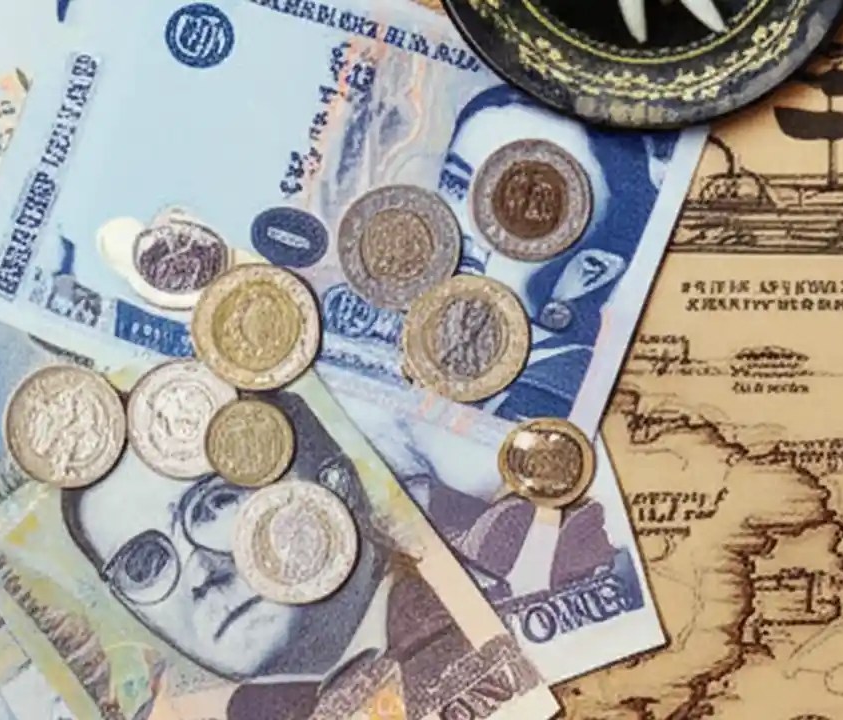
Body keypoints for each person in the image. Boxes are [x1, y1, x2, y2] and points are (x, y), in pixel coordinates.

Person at [60, 390, 501, 719]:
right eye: (143, 564)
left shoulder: (512, 567)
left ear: (335, 483)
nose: (201, 574)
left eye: (217, 503)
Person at [437, 83, 676, 421]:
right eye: (454, 184)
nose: (465, 225)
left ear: (589, 272)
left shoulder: (550, 399)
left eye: (527, 214)